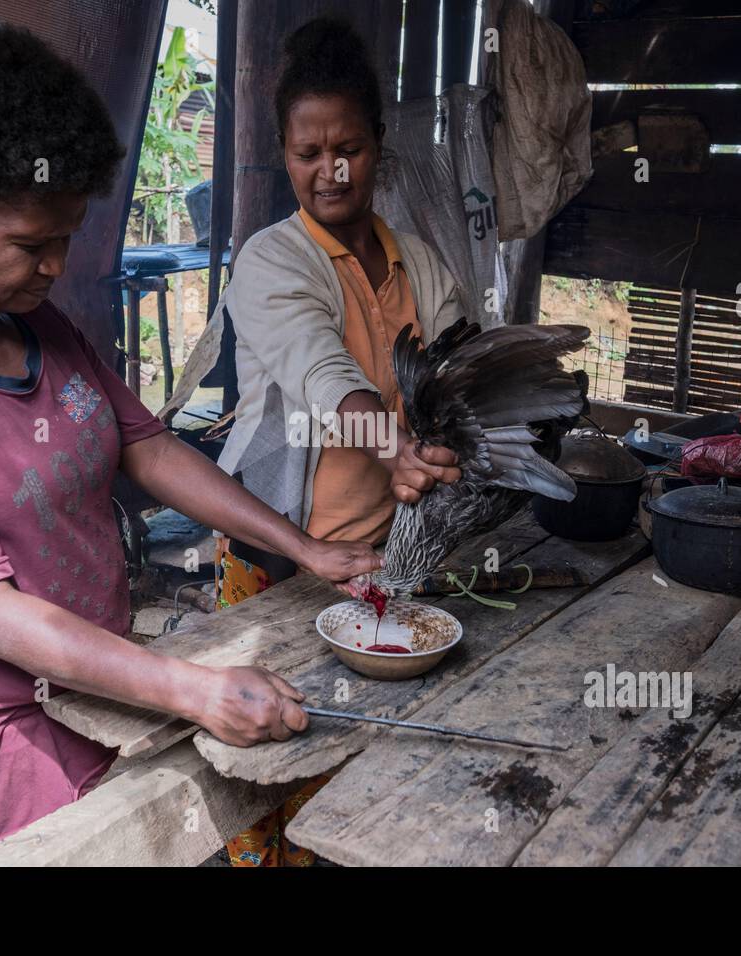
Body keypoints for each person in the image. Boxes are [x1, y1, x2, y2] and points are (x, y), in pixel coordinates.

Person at [0, 21, 381, 866]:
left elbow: (146, 448)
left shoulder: (33, 323)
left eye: (66, 237)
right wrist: (195, 688)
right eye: (31, 243)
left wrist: (302, 546)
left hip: (102, 704)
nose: (56, 266)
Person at [212, 18, 465, 866]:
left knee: (356, 757)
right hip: (277, 550)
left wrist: (453, 439)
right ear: (284, 153)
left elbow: (462, 377)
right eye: (307, 152)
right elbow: (326, 376)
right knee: (265, 753)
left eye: (347, 147)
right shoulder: (270, 262)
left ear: (378, 147)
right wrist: (395, 446)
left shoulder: (420, 266)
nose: (330, 171)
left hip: (384, 557)